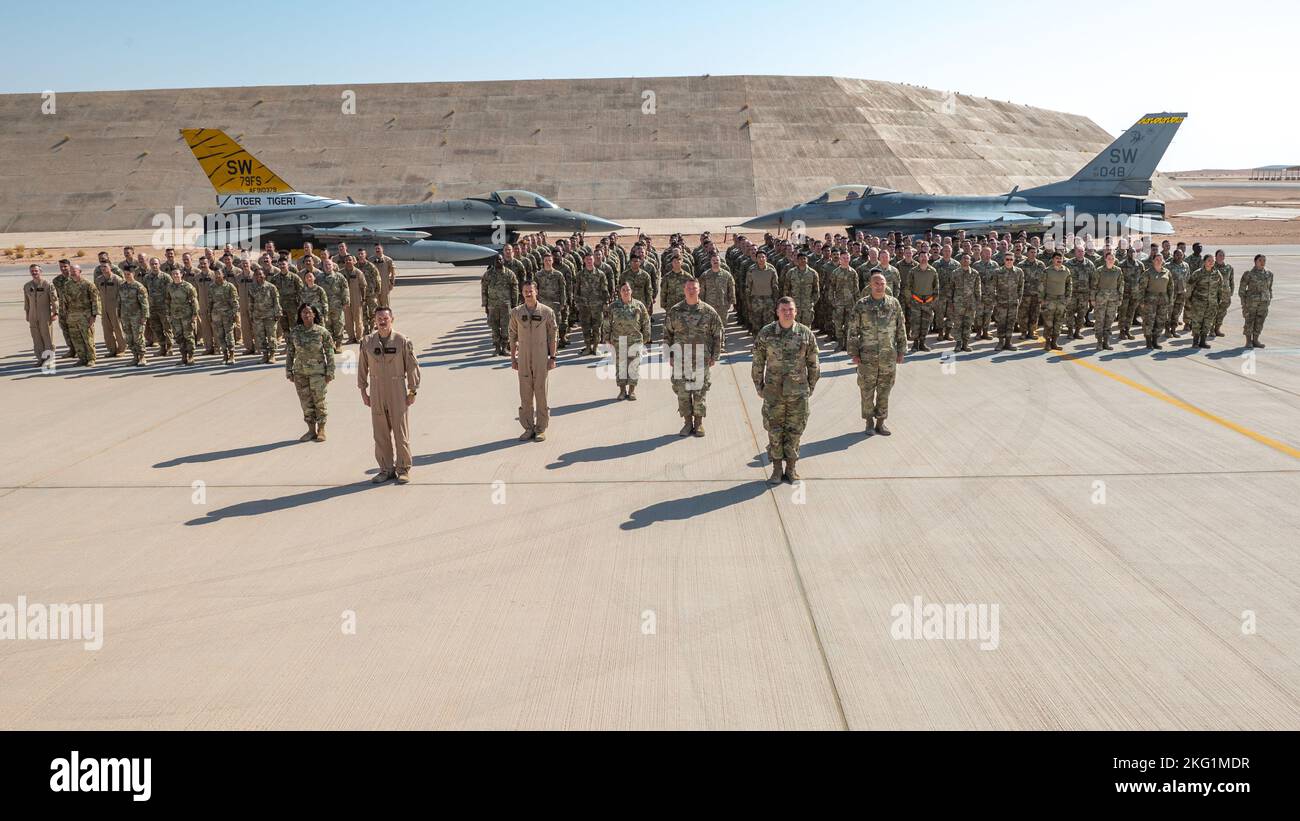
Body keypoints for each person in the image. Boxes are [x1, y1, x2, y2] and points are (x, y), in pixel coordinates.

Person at [753, 296, 820, 483]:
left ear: (796, 311)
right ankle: (776, 469)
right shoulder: (766, 333)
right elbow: (758, 361)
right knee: (774, 431)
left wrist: (810, 387)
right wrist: (759, 387)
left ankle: (791, 468)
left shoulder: (805, 334)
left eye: (790, 309)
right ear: (777, 312)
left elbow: (814, 363)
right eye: (783, 310)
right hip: (773, 392)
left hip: (798, 393)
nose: (787, 313)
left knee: (795, 430)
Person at [359, 307, 420, 484]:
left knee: (401, 433)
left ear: (392, 319)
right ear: (375, 320)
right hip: (377, 391)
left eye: (386, 318)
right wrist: (363, 391)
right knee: (380, 433)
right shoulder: (368, 342)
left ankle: (403, 469)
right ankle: (386, 469)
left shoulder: (402, 341)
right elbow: (362, 368)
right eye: (379, 318)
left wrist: (412, 390)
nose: (382, 321)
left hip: (397, 390)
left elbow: (412, 367)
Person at [848, 272, 907, 436]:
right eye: (876, 284)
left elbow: (900, 328)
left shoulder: (893, 304)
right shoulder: (861, 305)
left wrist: (902, 350)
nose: (879, 286)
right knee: (866, 390)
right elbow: (853, 330)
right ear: (870, 285)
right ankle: (869, 422)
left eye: (882, 283)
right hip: (867, 356)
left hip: (888, 355)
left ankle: (881, 422)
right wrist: (853, 352)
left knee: (885, 390)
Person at [663, 278, 724, 437]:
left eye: (694, 288)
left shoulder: (708, 312)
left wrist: (714, 356)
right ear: (684, 290)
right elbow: (667, 334)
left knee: (699, 392)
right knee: (683, 392)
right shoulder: (675, 311)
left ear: (699, 290)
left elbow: (718, 335)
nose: (691, 290)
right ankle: (687, 423)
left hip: (701, 359)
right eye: (688, 288)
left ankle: (698, 424)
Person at [509, 281, 558, 441]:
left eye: (531, 291)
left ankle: (541, 428)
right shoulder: (516, 313)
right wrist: (513, 358)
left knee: (541, 393)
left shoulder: (546, 312)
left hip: (540, 358)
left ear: (536, 291)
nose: (528, 294)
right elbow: (512, 336)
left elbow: (553, 335)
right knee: (525, 394)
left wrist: (553, 357)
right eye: (525, 291)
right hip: (523, 358)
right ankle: (528, 428)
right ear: (522, 293)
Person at [285, 303, 335, 442]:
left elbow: (330, 353)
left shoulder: (322, 332)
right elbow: (290, 352)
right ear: (300, 315)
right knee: (306, 403)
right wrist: (289, 370)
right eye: (303, 312)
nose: (306, 315)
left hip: (318, 373)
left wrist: (330, 371)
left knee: (319, 401)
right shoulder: (295, 332)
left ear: (314, 314)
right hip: (300, 373)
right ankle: (311, 430)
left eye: (309, 312)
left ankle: (322, 429)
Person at [602, 281, 651, 400]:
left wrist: (646, 337)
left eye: (628, 289)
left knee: (634, 366)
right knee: (621, 367)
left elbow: (646, 322)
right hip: (619, 341)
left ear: (631, 291)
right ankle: (622, 391)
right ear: (620, 292)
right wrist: (607, 338)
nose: (626, 292)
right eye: (623, 290)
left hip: (635, 340)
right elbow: (607, 323)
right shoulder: (613, 306)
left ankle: (632, 391)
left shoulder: (639, 305)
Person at [63, 264, 101, 367]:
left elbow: (95, 301)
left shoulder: (88, 284)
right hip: (72, 316)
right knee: (76, 339)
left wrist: (94, 316)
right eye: (71, 271)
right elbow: (65, 301)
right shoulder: (67, 285)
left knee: (88, 338)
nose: (72, 272)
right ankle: (82, 358)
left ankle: (91, 358)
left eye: (74, 270)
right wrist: (66, 313)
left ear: (80, 271)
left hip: (85, 316)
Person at [483, 255, 521, 355]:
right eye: (496, 260)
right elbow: (484, 290)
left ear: (503, 261)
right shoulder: (488, 274)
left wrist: (514, 304)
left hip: (506, 305)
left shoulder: (509, 273)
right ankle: (496, 348)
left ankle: (504, 348)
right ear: (494, 262)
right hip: (492, 305)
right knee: (494, 327)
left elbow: (515, 289)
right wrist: (485, 304)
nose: (499, 261)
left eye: (500, 259)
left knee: (506, 327)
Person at [23, 264, 59, 366]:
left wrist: (55, 312)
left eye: (36, 271)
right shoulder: (27, 286)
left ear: (40, 272)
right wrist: (27, 314)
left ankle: (49, 359)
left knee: (47, 337)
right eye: (32, 271)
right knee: (36, 337)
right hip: (32, 315)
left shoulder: (47, 284)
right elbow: (26, 302)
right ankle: (40, 358)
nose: (34, 273)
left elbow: (54, 300)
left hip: (45, 315)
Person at [117, 266, 150, 366]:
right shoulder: (122, 286)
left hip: (137, 317)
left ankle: (142, 357)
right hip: (125, 316)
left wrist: (144, 317)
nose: (127, 276)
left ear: (133, 274)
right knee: (129, 338)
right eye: (125, 274)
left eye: (128, 274)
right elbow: (119, 302)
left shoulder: (139, 287)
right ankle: (135, 357)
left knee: (138, 337)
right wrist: (119, 314)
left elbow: (144, 303)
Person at [1239, 254, 1273, 348]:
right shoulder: (1249, 274)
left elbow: (1269, 288)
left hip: (1264, 302)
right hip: (1251, 302)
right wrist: (1243, 303)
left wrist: (1269, 298)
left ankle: (1256, 340)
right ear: (1255, 262)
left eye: (1264, 261)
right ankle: (1248, 341)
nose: (1262, 262)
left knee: (1260, 321)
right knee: (1250, 320)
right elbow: (1242, 290)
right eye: (1260, 260)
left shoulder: (1269, 274)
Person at [209, 265, 240, 365]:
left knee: (229, 335)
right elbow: (210, 302)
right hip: (216, 316)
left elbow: (235, 303)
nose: (217, 276)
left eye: (219, 274)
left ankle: (232, 355)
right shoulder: (211, 287)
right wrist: (210, 315)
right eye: (215, 274)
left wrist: (233, 314)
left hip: (228, 315)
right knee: (220, 336)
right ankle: (224, 355)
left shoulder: (230, 286)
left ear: (223, 275)